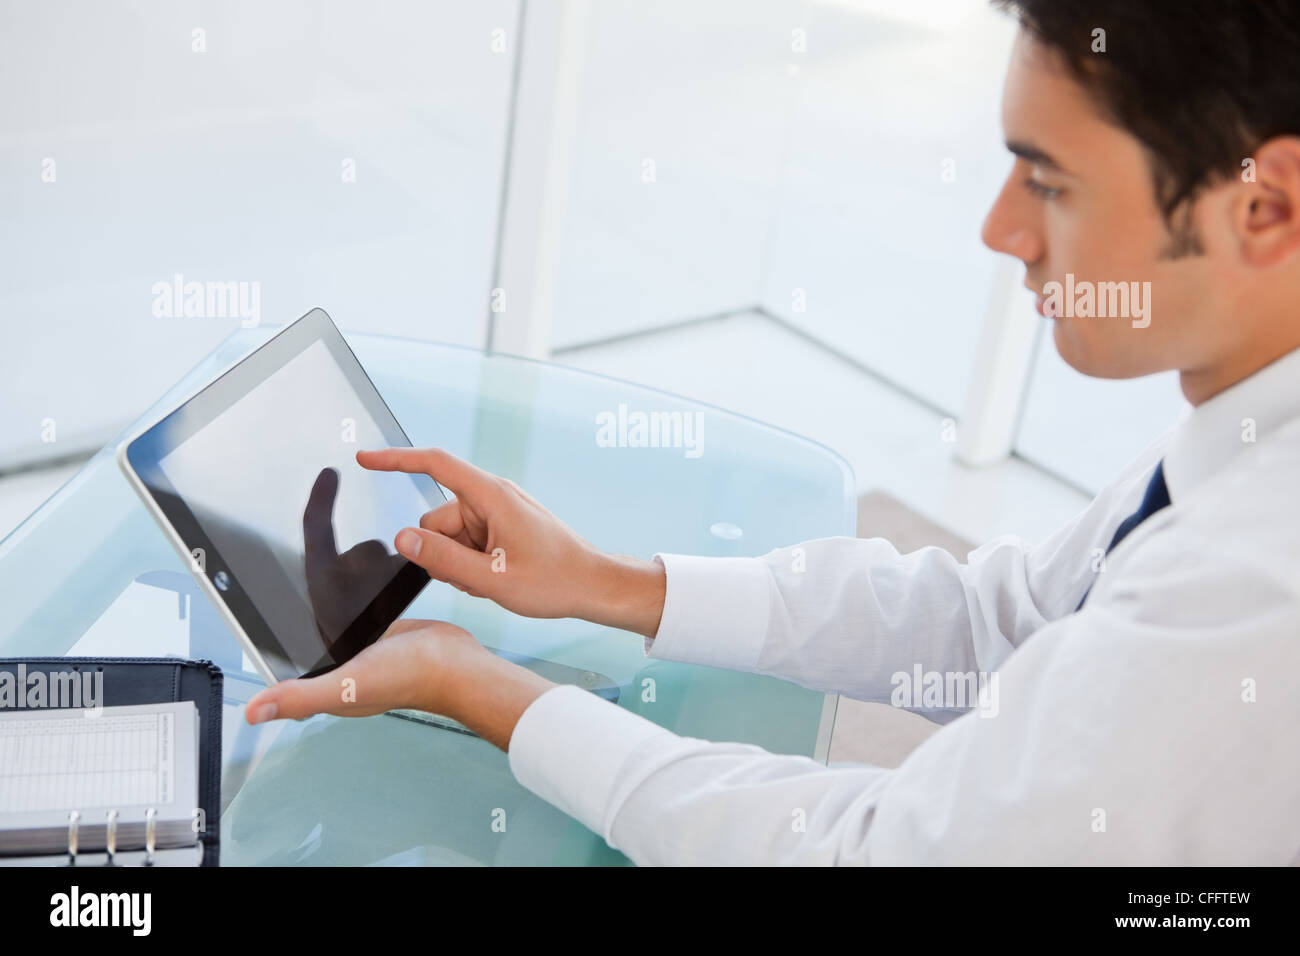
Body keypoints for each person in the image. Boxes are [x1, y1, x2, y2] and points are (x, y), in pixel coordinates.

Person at [245, 0, 1300, 864]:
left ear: (1266, 208)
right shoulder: (1244, 433)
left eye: (1050, 181)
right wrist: (604, 581)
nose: (1000, 230)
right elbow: (998, 619)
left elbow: (865, 855)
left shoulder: (1254, 583)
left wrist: (478, 685)